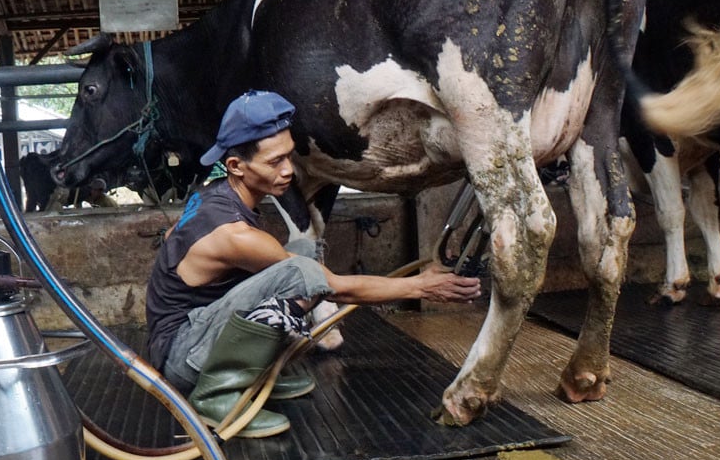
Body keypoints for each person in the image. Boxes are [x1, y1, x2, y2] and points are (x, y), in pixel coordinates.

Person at [146, 90, 481, 438]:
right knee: (301, 273)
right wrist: (421, 286)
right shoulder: (234, 235)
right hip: (182, 357)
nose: (288, 170)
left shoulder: (214, 194)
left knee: (303, 252)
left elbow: (173, 237)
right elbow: (334, 287)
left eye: (289, 156)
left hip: (185, 334)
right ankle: (216, 395)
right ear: (236, 166)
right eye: (274, 162)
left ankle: (249, 373)